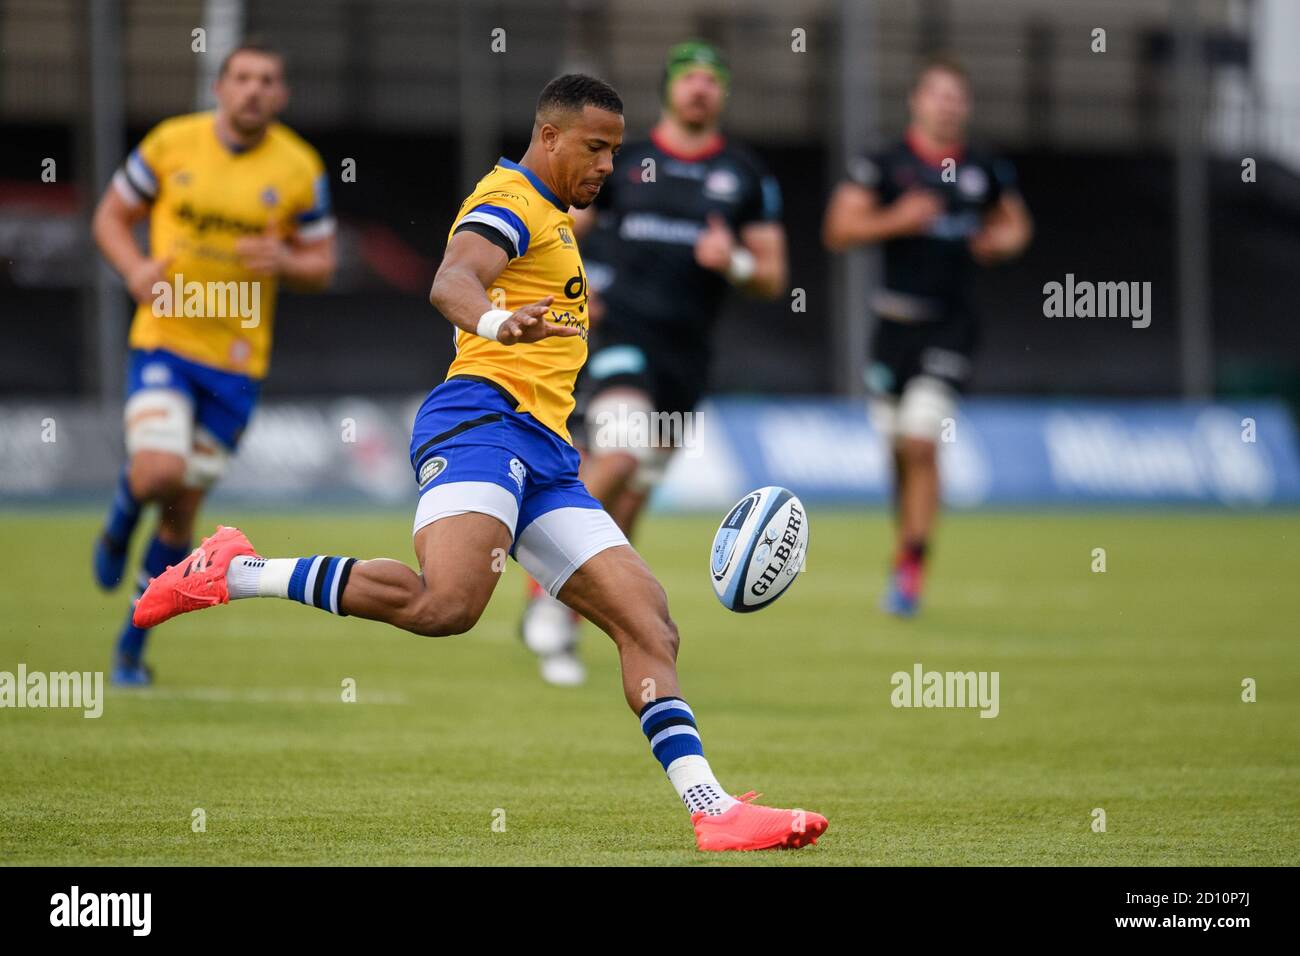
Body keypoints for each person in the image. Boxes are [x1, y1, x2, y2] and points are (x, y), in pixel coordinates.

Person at [133, 74, 827, 853]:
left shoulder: (561, 224)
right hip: (480, 424)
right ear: (551, 136)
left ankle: (713, 808)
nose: (607, 166)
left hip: (547, 453)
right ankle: (234, 570)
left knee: (650, 623)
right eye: (595, 148)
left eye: (616, 152)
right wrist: (499, 321)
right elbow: (450, 280)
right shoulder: (510, 197)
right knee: (447, 606)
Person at [520, 41, 788, 684]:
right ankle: (538, 594)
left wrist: (738, 263)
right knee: (620, 452)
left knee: (635, 494)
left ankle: (569, 615)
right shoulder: (626, 162)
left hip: (685, 358)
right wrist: (577, 293)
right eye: (689, 78)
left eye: (712, 79)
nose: (701, 89)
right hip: (619, 339)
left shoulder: (745, 175)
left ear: (722, 93)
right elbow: (563, 229)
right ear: (669, 88)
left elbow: (773, 276)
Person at [91, 40, 336, 684]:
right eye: (244, 78)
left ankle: (130, 648)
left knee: (181, 511)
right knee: (157, 474)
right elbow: (110, 218)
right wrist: (136, 267)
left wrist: (285, 262)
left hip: (236, 365)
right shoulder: (171, 144)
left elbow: (322, 264)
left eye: (268, 80)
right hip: (166, 342)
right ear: (221, 87)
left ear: (280, 96)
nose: (255, 89)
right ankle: (119, 524)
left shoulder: (298, 167)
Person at [822, 55, 1031, 617]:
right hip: (893, 328)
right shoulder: (884, 162)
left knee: (921, 439)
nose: (949, 105)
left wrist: (1004, 242)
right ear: (917, 100)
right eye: (939, 94)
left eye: (957, 96)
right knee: (897, 450)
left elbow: (1015, 223)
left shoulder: (983, 168)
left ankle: (914, 562)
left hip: (952, 327)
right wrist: (898, 219)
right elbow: (838, 229)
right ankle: (906, 544)